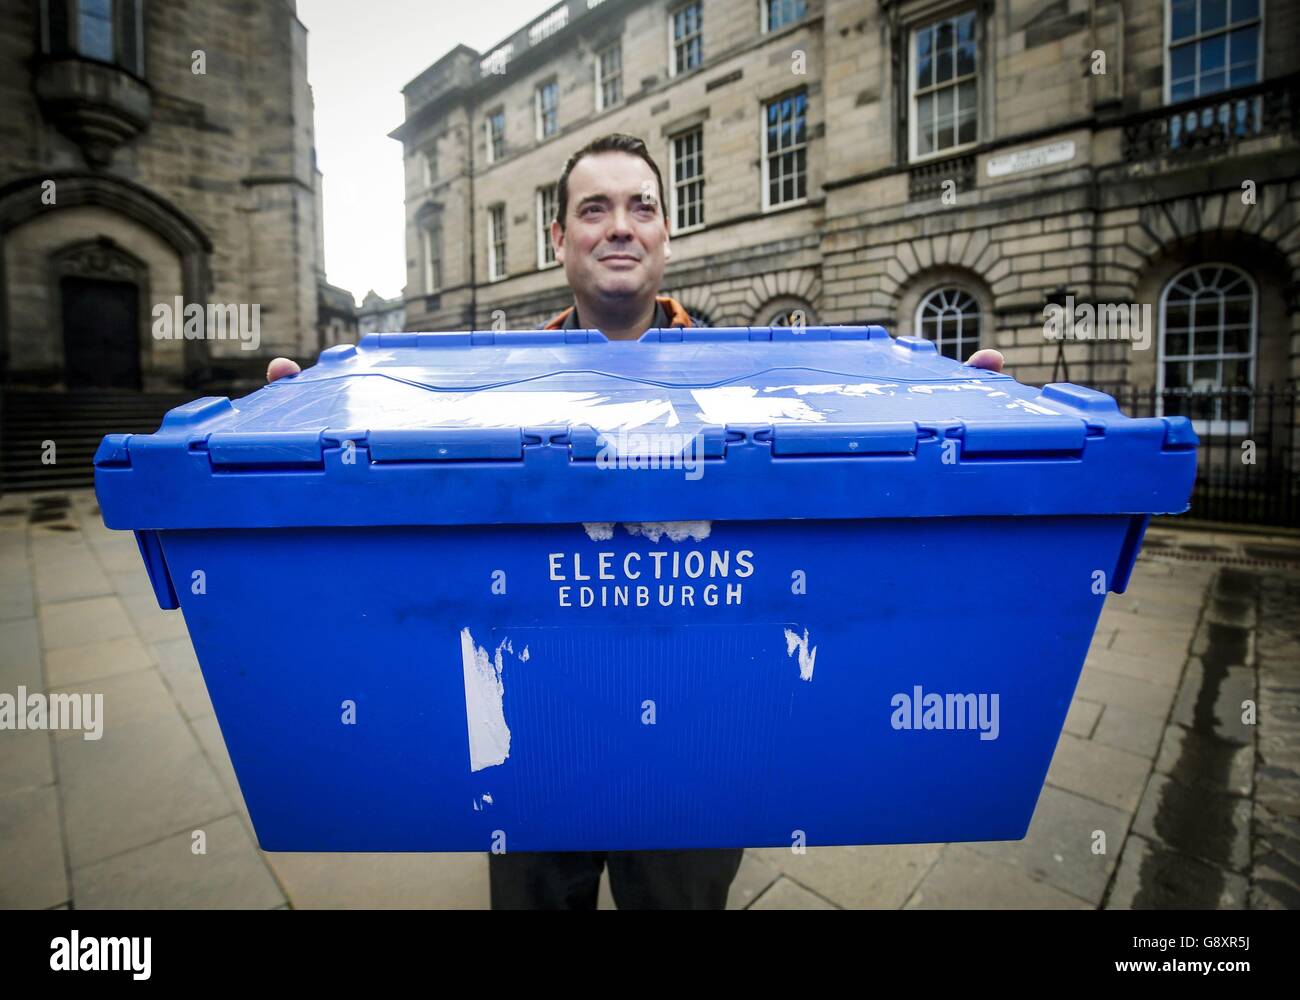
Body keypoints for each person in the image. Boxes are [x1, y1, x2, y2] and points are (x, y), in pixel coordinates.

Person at [266, 133, 1004, 908]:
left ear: (664, 232)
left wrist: (967, 409)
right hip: (533, 734)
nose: (620, 225)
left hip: (704, 735)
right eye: (594, 208)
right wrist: (291, 419)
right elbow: (400, 486)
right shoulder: (493, 389)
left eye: (640, 206)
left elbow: (855, 457)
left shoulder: (751, 376)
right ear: (559, 240)